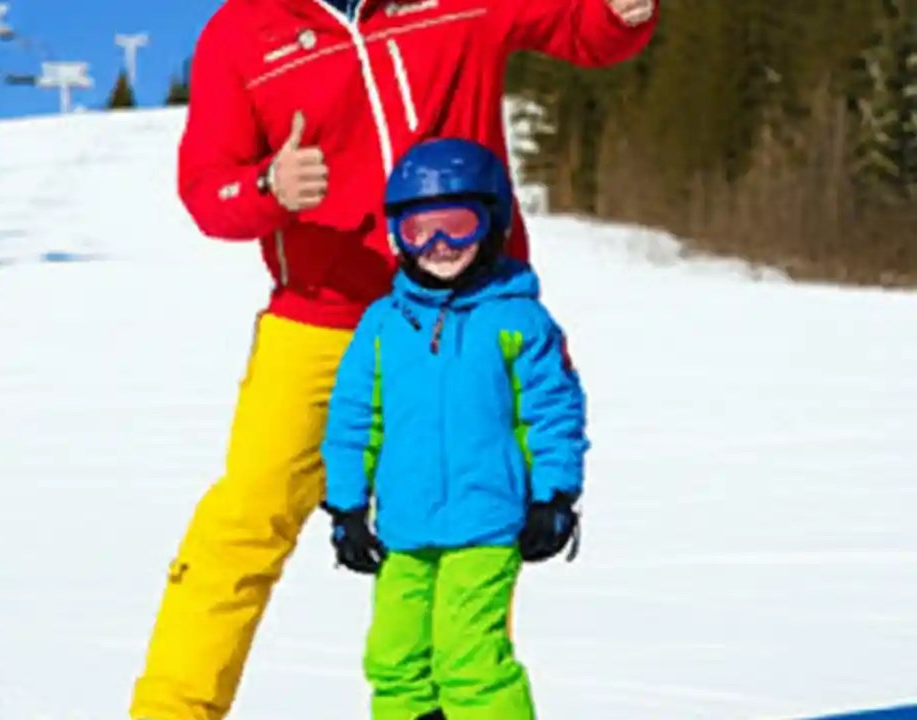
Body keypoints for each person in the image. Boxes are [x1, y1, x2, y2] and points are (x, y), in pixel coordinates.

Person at [130, 1, 655, 718]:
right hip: (321, 319)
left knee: (473, 532)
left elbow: (578, 26)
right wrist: (266, 189)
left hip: (469, 316)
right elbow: (206, 189)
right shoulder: (242, 30)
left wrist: (620, 13)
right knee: (245, 523)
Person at [320, 137, 587, 720]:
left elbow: (553, 412)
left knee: (469, 660)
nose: (440, 247)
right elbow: (353, 419)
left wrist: (555, 495)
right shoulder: (383, 324)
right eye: (421, 230)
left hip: (487, 524)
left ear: (491, 224)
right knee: (394, 660)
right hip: (402, 530)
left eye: (457, 226)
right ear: (398, 235)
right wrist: (346, 507)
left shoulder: (518, 318)